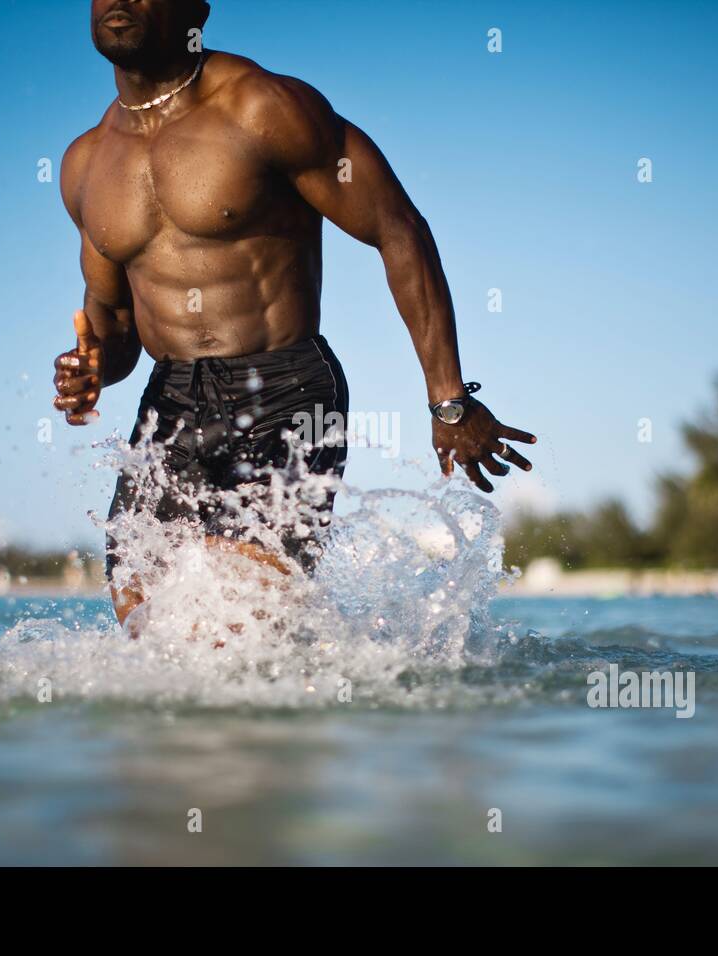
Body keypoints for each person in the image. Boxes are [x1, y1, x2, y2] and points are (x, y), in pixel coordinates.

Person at [53, 0, 536, 627]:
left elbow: (398, 229)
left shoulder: (263, 108)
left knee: (238, 625)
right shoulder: (85, 164)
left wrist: (448, 399)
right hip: (170, 398)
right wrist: (93, 368)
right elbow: (114, 327)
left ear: (194, 6)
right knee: (149, 627)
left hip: (284, 386)